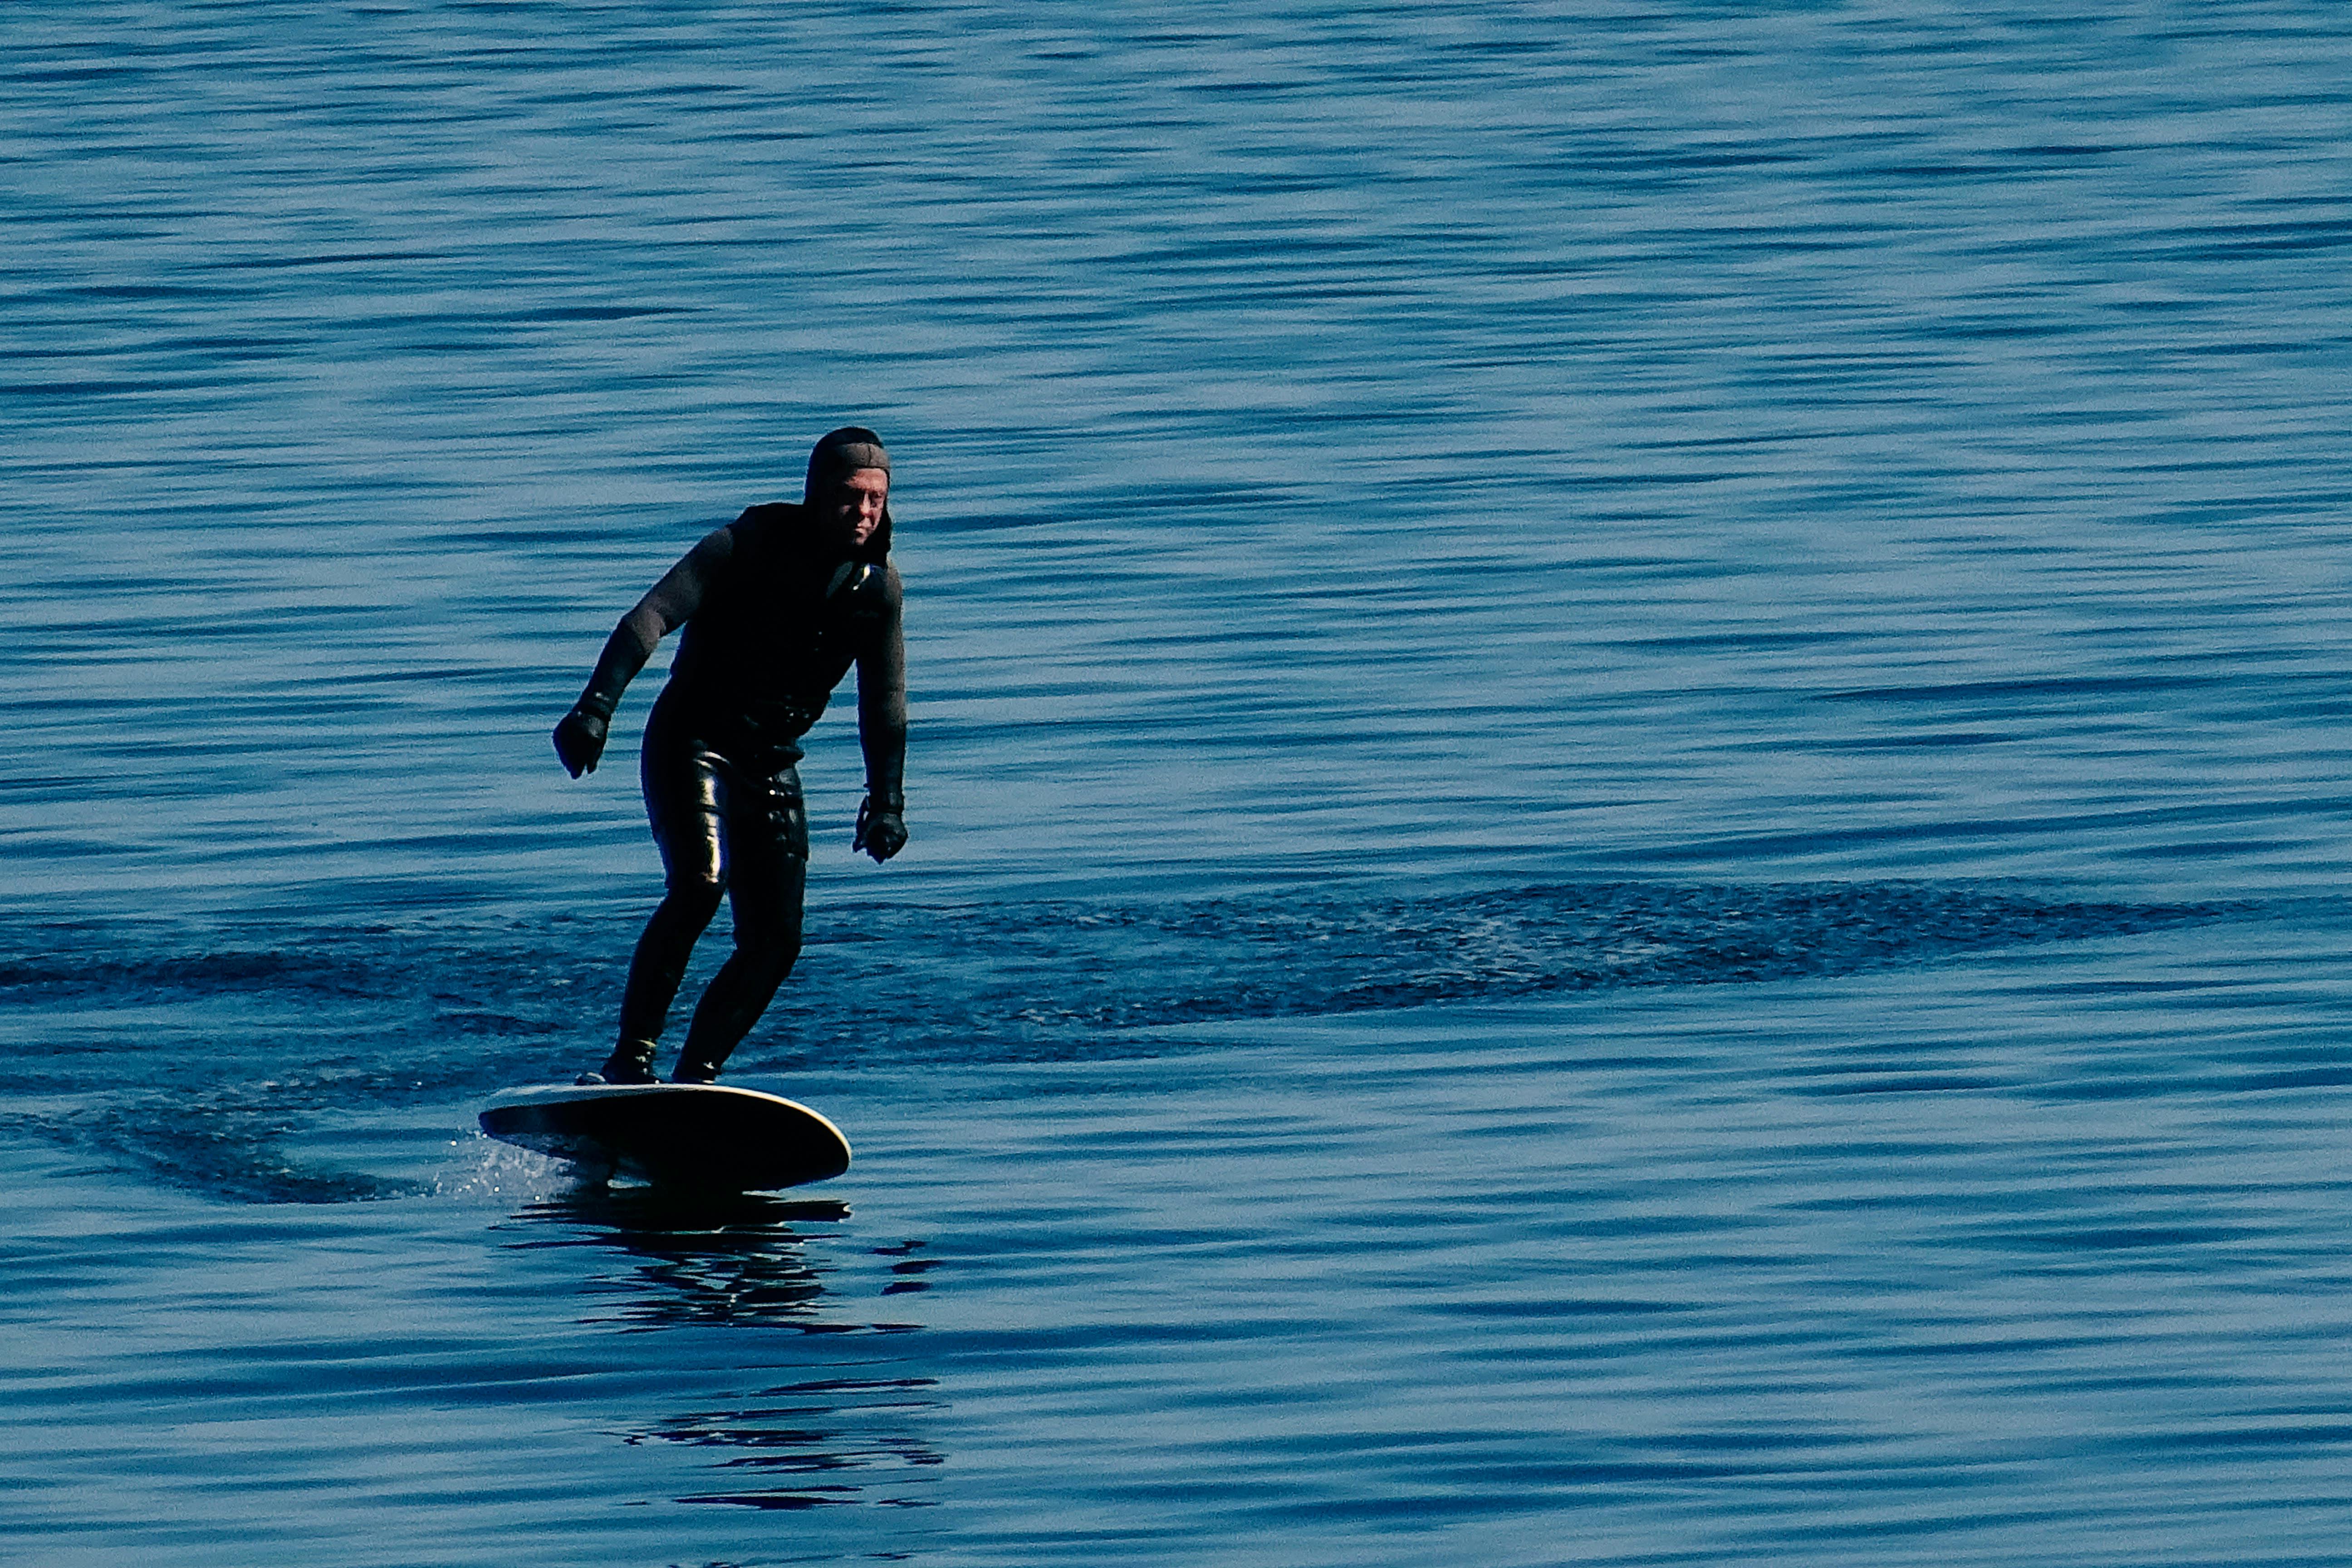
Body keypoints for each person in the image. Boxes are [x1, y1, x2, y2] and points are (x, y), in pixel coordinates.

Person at [551, 426, 907, 1085]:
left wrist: (886, 800)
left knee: (777, 941)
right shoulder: (747, 546)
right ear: (816, 496)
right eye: (849, 498)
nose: (863, 514)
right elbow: (650, 616)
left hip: (770, 762)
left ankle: (696, 1080)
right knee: (699, 885)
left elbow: (882, 703)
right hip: (692, 742)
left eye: (876, 502)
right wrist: (596, 708)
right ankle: (630, 1061)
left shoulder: (878, 590)